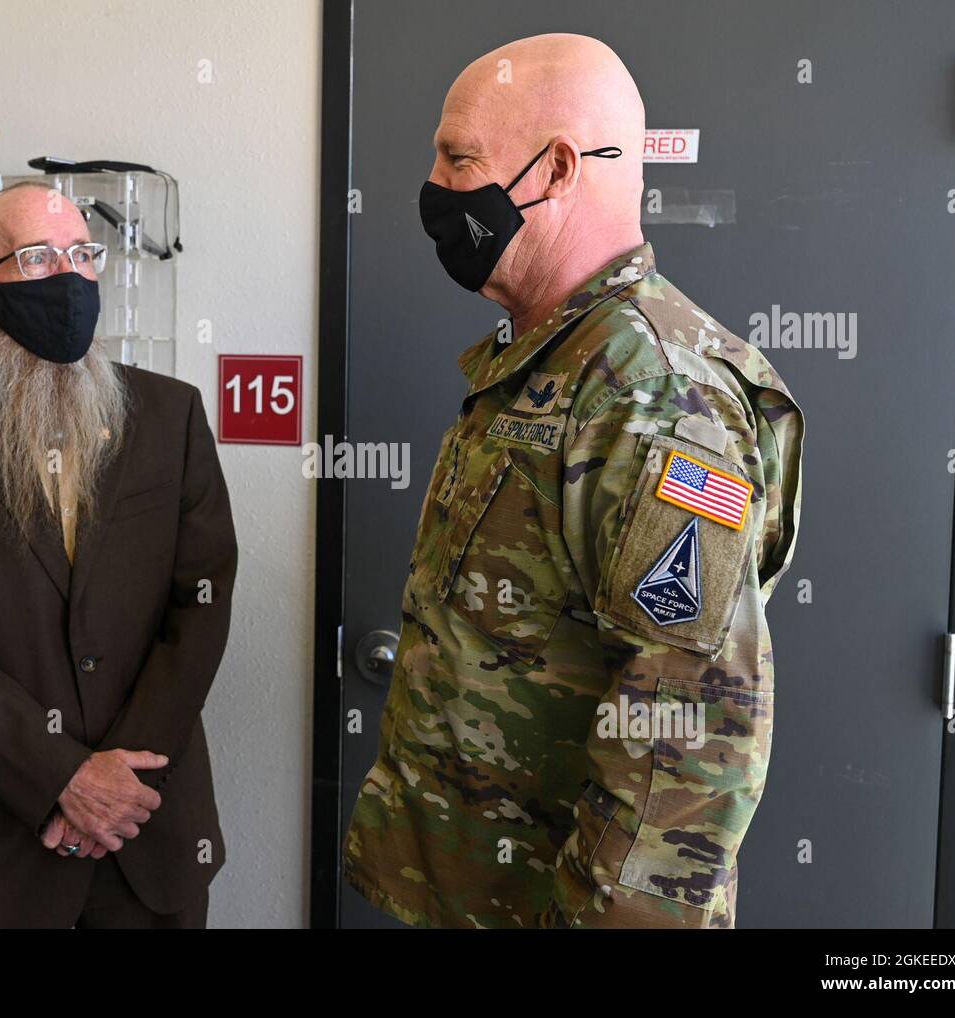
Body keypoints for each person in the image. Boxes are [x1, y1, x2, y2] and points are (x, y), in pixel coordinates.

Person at [342, 33, 804, 929]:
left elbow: (687, 742)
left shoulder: (654, 393)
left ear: (556, 170)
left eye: (459, 158)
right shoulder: (552, 360)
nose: (436, 188)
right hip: (474, 896)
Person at [0, 181, 237, 928]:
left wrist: (114, 786)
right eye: (34, 258)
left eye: (81, 254)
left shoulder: (172, 417)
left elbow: (199, 605)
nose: (66, 277)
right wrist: (60, 778)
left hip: (147, 833)